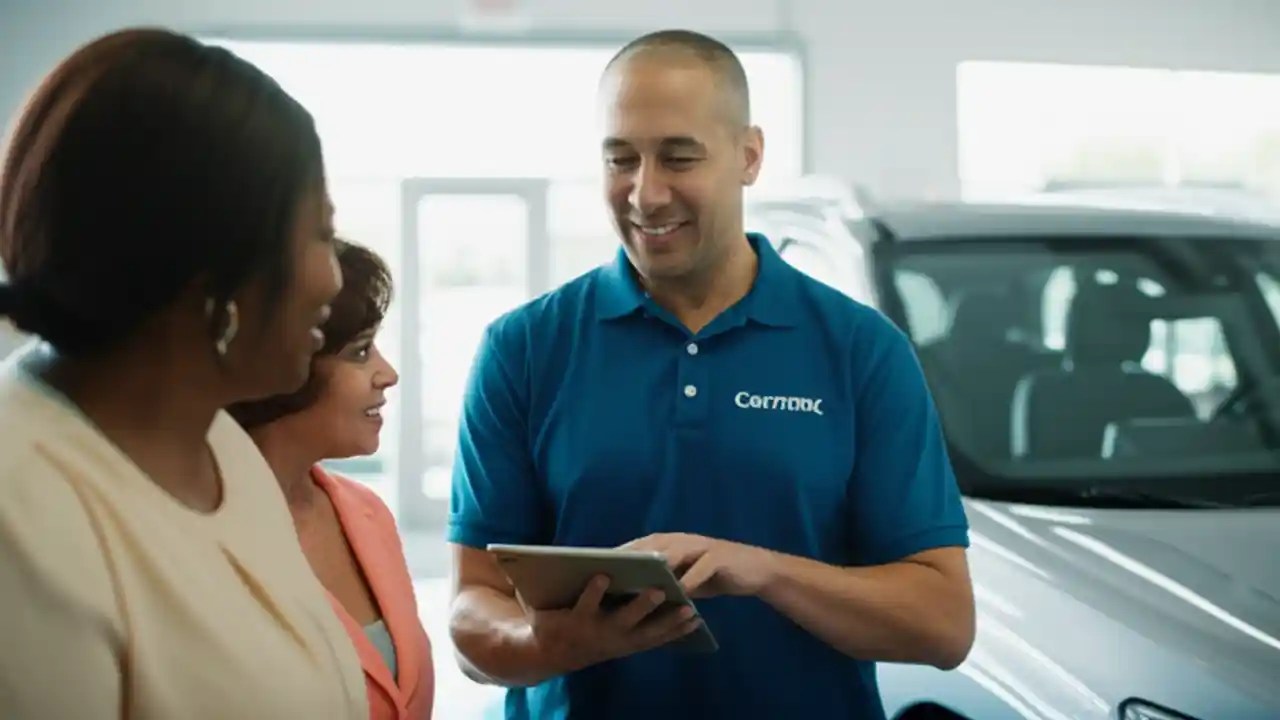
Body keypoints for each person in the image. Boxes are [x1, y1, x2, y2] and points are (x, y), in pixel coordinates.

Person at [447, 29, 975, 719]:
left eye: (679, 157)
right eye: (621, 159)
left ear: (749, 156)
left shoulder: (860, 351)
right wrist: (548, 641)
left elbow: (942, 623)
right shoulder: (523, 349)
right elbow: (470, 610)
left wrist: (763, 572)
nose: (645, 193)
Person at [0, 28, 366, 719]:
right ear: (215, 273)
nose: (333, 277)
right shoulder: (20, 517)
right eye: (320, 233)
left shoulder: (218, 445)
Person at [228, 238, 435, 720]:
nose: (388, 374)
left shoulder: (368, 514)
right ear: (284, 368)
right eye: (360, 352)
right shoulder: (199, 539)